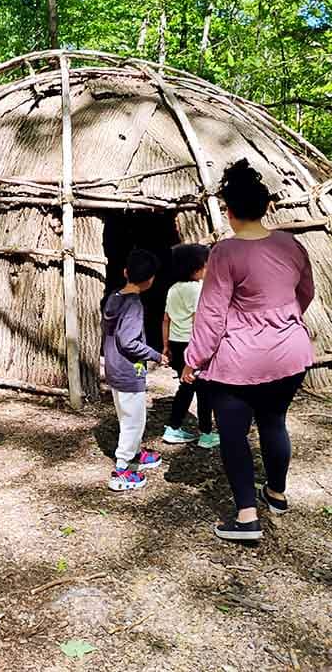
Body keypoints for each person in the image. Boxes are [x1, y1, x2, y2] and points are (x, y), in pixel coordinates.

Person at [184, 159, 315, 542]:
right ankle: (275, 495)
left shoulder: (225, 252)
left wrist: (193, 360)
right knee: (274, 422)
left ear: (229, 211)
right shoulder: (291, 244)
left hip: (239, 362)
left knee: (233, 434)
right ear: (265, 206)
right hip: (290, 355)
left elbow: (212, 316)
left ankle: (246, 518)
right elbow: (305, 293)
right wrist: (281, 323)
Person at [102, 248, 169, 492]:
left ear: (125, 272)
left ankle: (135, 452)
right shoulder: (133, 305)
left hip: (114, 368)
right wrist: (156, 355)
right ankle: (122, 469)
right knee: (134, 421)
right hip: (129, 372)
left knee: (126, 416)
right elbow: (128, 341)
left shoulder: (114, 297)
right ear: (151, 280)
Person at [162, 243, 219, 449]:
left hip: (177, 343)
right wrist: (199, 351)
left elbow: (166, 319)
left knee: (185, 387)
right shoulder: (198, 290)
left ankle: (173, 428)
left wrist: (165, 346)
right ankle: (206, 434)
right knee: (204, 390)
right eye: (207, 264)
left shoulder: (173, 289)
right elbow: (199, 322)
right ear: (196, 268)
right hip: (194, 344)